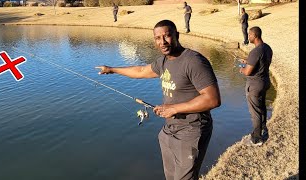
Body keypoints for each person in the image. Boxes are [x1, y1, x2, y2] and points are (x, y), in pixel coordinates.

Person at [96, 20, 221, 180]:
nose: (162, 42)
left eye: (167, 36)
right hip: (169, 130)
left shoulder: (193, 61)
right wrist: (112, 70)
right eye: (157, 38)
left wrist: (174, 108)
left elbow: (213, 99)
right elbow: (141, 70)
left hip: (191, 130)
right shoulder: (163, 62)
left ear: (177, 35)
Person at [239, 26, 273, 147]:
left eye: (250, 35)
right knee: (262, 106)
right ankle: (263, 128)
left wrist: (242, 69)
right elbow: (260, 62)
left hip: (255, 85)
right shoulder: (267, 48)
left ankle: (257, 139)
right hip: (265, 82)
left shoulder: (255, 51)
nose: (248, 37)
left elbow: (248, 72)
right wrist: (247, 61)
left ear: (255, 36)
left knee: (255, 112)